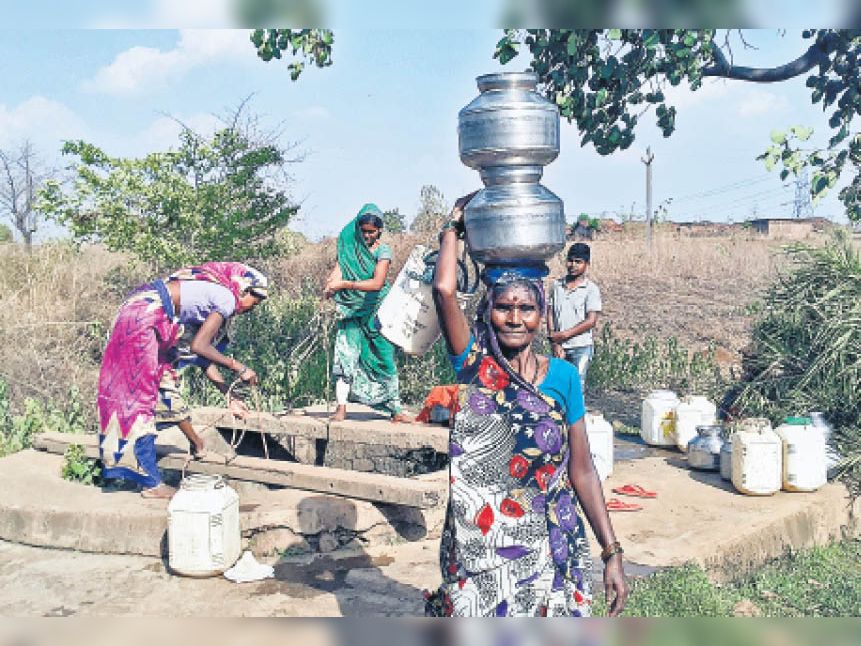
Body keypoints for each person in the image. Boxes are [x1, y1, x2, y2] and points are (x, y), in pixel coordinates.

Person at [427, 194, 628, 617]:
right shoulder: (473, 365)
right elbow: (444, 290)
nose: (515, 318)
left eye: (527, 308)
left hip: (552, 542)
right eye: (503, 307)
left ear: (541, 313)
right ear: (488, 312)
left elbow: (582, 469)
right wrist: (454, 226)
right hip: (484, 551)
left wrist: (611, 551)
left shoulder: (563, 377)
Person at [97, 262, 268, 499]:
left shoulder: (206, 297)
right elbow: (201, 346)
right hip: (146, 319)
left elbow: (199, 356)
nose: (252, 308)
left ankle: (140, 470)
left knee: (157, 386)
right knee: (141, 397)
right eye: (255, 301)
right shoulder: (227, 299)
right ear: (244, 289)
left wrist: (228, 394)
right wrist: (239, 367)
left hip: (140, 312)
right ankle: (151, 484)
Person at [323, 204, 410, 422]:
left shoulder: (383, 251)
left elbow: (377, 283)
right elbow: (338, 271)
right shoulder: (350, 250)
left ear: (380, 230)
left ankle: (395, 410)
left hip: (378, 311)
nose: (368, 235)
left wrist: (344, 284)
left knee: (384, 358)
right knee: (345, 357)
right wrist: (330, 286)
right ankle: (341, 408)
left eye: (372, 231)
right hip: (352, 313)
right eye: (364, 231)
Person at [547, 242, 602, 391]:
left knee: (576, 387)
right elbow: (550, 312)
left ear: (587, 264)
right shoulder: (557, 286)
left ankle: (576, 415)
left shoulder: (591, 289)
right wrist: (555, 342)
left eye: (578, 262)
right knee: (557, 386)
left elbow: (591, 321)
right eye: (570, 260)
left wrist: (564, 335)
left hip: (581, 347)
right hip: (560, 346)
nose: (573, 265)